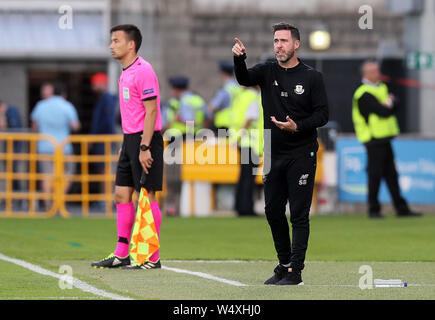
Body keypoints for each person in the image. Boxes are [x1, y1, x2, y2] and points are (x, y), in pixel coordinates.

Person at [232, 22, 329, 285]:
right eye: (276, 41)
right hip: (273, 152)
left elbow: (322, 114)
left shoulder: (312, 77)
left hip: (302, 153)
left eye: (284, 41)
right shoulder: (266, 71)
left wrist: (298, 125)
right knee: (273, 211)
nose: (279, 45)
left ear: (296, 44)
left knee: (298, 213)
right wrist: (239, 60)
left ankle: (295, 271)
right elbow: (243, 79)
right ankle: (284, 264)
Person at [91, 24, 164, 270]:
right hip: (130, 139)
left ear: (130, 44)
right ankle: (122, 253)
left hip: (146, 139)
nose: (111, 45)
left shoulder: (144, 70)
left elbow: (151, 110)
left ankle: (150, 257)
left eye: (116, 41)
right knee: (121, 195)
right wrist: (127, 146)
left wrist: (144, 147)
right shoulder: (124, 72)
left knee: (147, 196)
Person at [352, 60, 422, 219]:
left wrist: (389, 104)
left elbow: (394, 105)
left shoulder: (381, 87)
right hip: (373, 139)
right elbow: (383, 111)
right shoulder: (363, 93)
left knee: (392, 174)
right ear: (366, 74)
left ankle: (401, 208)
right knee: (375, 174)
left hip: (385, 138)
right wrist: (389, 103)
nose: (378, 74)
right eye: (374, 71)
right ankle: (374, 209)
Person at [30, 83, 81, 209]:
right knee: (68, 172)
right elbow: (75, 126)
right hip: (63, 147)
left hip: (44, 146)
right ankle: (59, 199)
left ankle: (48, 204)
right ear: (64, 94)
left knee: (47, 175)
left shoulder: (41, 105)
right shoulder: (67, 106)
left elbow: (34, 126)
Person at [229, 86, 263, 216]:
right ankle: (246, 208)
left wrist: (237, 138)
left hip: (242, 141)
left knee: (243, 176)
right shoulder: (254, 96)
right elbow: (250, 118)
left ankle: (239, 206)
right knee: (249, 177)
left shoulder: (241, 96)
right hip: (251, 142)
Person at [89, 72, 117, 210]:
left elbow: (108, 120)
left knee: (106, 170)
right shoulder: (103, 99)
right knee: (103, 169)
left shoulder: (107, 99)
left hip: (106, 140)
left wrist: (111, 139)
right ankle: (104, 198)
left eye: (95, 84)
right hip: (102, 140)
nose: (93, 87)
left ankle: (106, 199)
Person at [206, 61, 242, 133]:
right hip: (237, 124)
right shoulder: (239, 87)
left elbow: (212, 108)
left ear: (223, 73)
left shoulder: (225, 89)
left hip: (223, 125)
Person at [0, 99, 24, 209]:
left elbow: (14, 129)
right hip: (10, 146)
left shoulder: (12, 111)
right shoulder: (9, 112)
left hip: (14, 146)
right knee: (10, 171)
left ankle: (17, 197)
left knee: (13, 171)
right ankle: (13, 196)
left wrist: (4, 126)